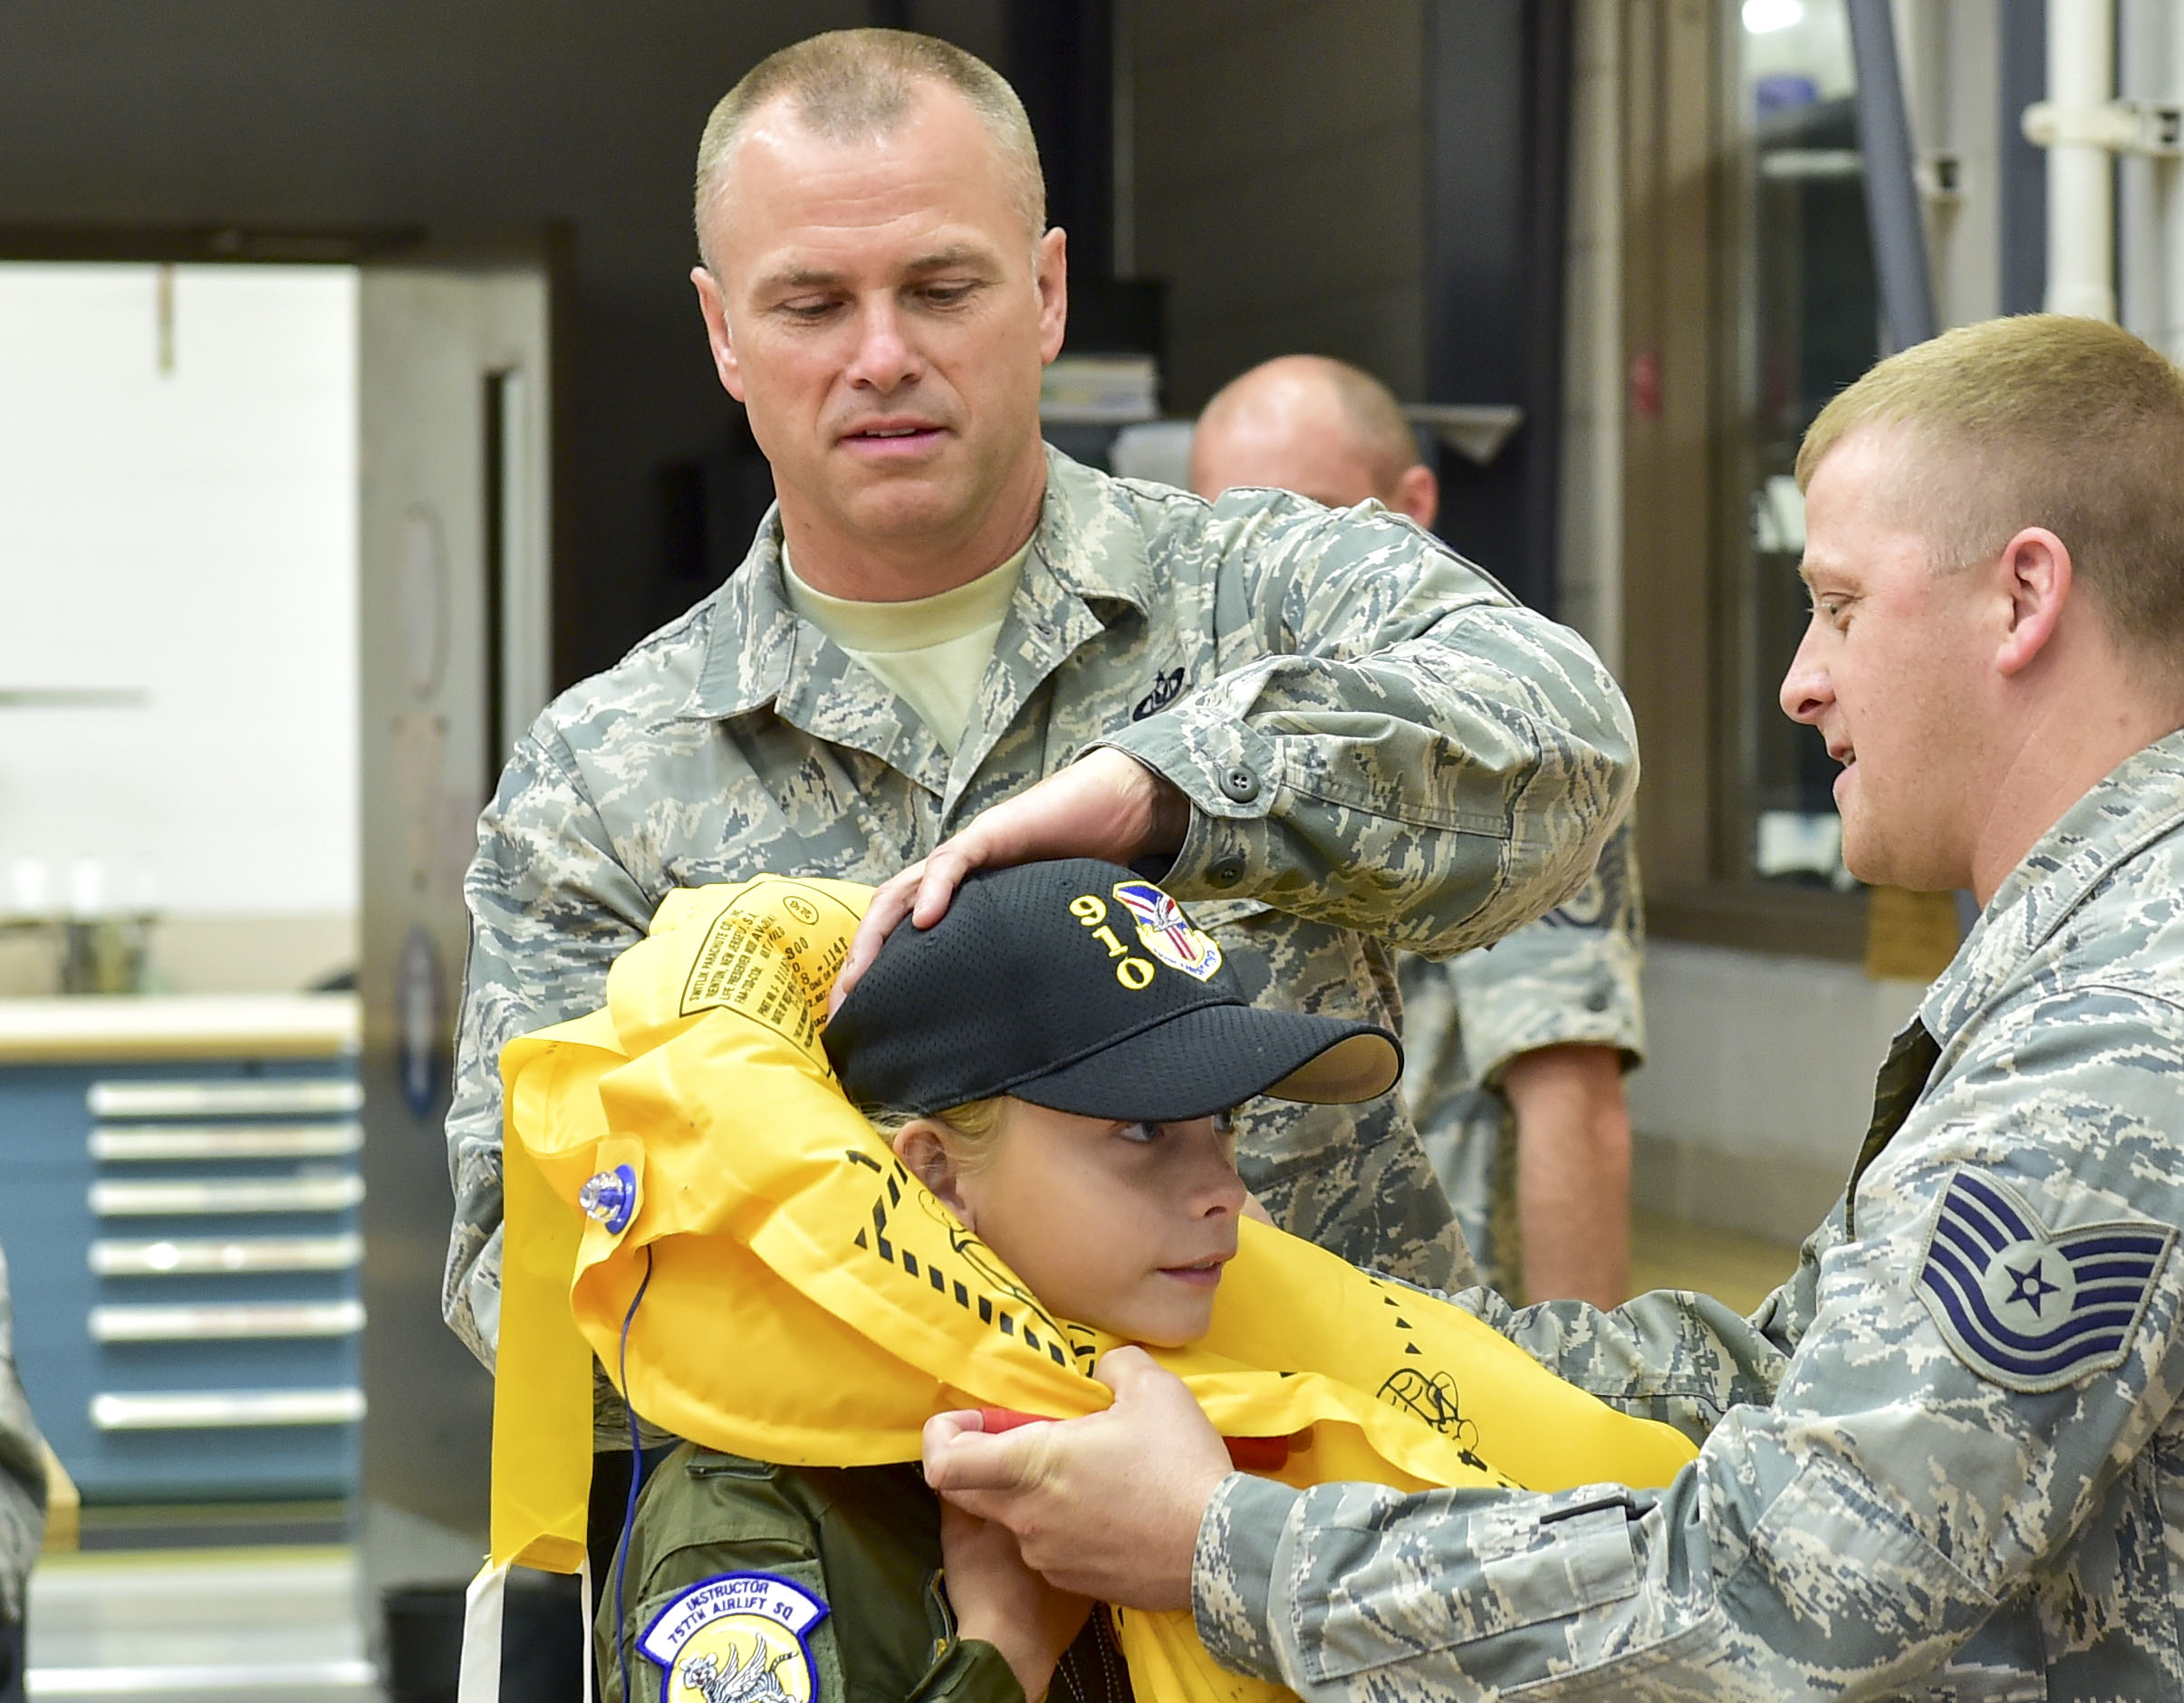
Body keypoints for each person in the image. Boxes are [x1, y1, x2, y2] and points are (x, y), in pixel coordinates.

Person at [921, 316, 2184, 1703]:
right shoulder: (2130, 961)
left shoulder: (2139, 1041)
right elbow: (1777, 1383)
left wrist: (1222, 1549)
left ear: (2022, 597)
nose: (1799, 678)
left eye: (1838, 604)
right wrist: (1345, 1349)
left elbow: (1781, 1583)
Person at [443, 29, 1635, 1381]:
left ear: (1049, 293)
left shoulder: (1261, 593)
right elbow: (529, 1268)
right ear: (724, 333)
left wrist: (1170, 794)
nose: (882, 355)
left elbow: (1571, 740)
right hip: (882, 1513)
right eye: (812, 305)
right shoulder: (601, 785)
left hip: (1329, 1483)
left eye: (941, 288)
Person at [601, 857, 1401, 1703]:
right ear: (935, 1174)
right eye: (1141, 1130)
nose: (1225, 1190)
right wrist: (1001, 1660)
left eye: (1223, 1124)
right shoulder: (755, 1508)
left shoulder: (1218, 1432)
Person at [1190, 357, 1644, 1306]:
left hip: (1430, 1324)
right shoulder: (1190, 737)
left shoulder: (1489, 743)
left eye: (1310, 516)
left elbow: (1568, 1089)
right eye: (1233, 528)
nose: (1276, 561)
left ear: (1413, 506)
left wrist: (1567, 1380)